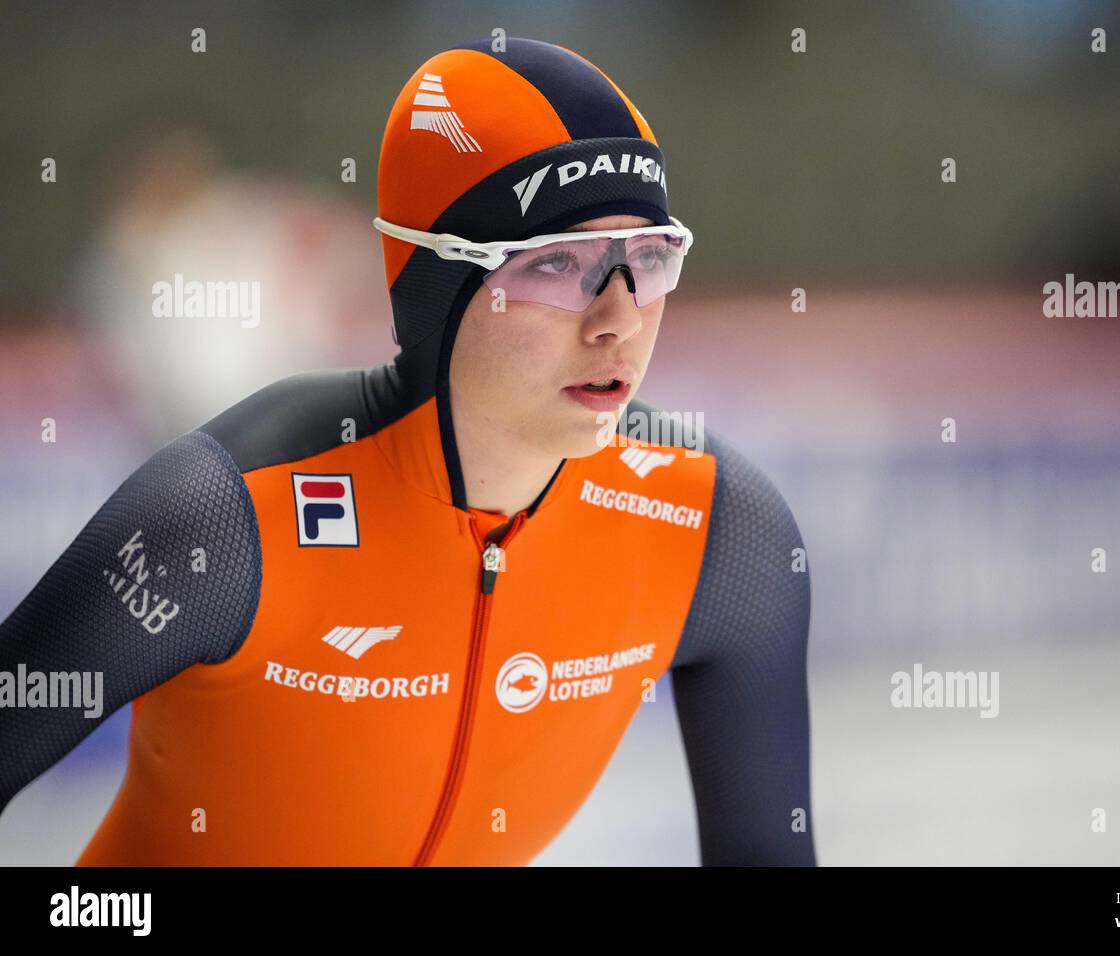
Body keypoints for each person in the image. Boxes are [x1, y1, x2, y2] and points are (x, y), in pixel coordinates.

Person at [0, 37, 815, 866]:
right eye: (557, 264)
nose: (619, 318)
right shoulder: (227, 518)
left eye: (648, 258)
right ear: (434, 284)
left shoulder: (718, 532)